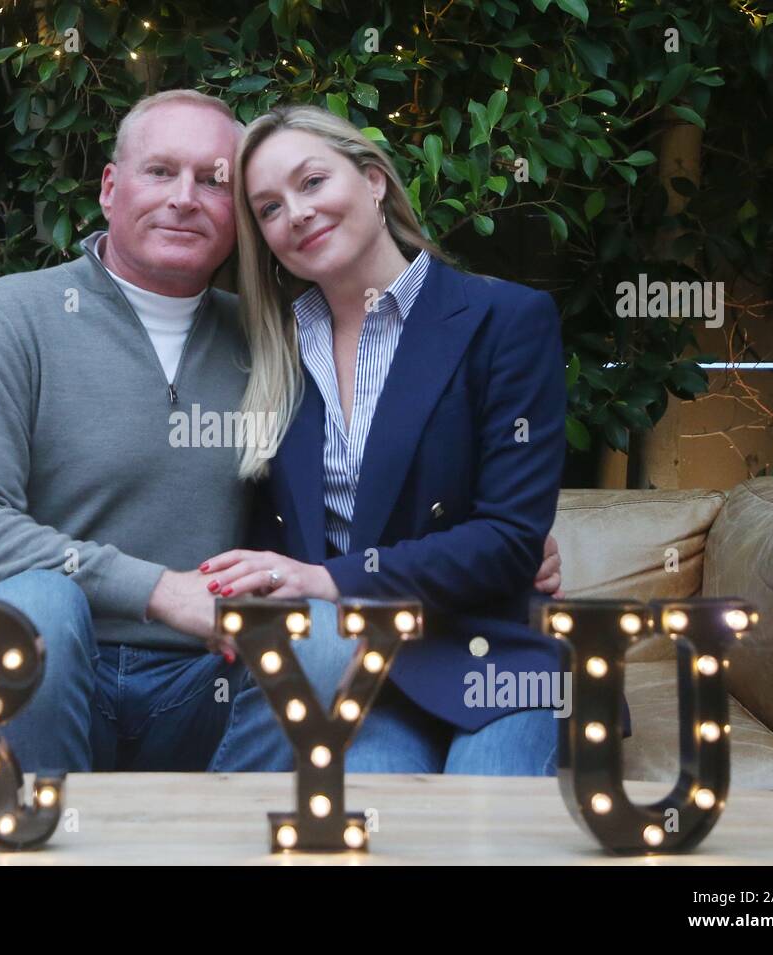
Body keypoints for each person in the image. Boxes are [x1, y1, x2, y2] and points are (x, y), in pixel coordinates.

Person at [0, 90, 564, 775]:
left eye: (214, 182)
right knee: (39, 603)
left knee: (310, 635)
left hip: (209, 684)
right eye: (159, 171)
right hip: (48, 670)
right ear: (109, 188)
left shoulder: (267, 336)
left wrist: (510, 540)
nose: (184, 198)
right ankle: (37, 833)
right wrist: (160, 588)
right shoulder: (17, 315)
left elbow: (326, 525)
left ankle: (235, 835)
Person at [201, 104, 626, 775]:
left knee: (480, 831)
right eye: (269, 208)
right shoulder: (271, 347)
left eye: (312, 182)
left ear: (373, 180)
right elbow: (266, 533)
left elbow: (510, 539)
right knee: (374, 823)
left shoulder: (504, 319)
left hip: (492, 651)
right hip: (358, 668)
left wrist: (324, 579)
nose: (297, 213)